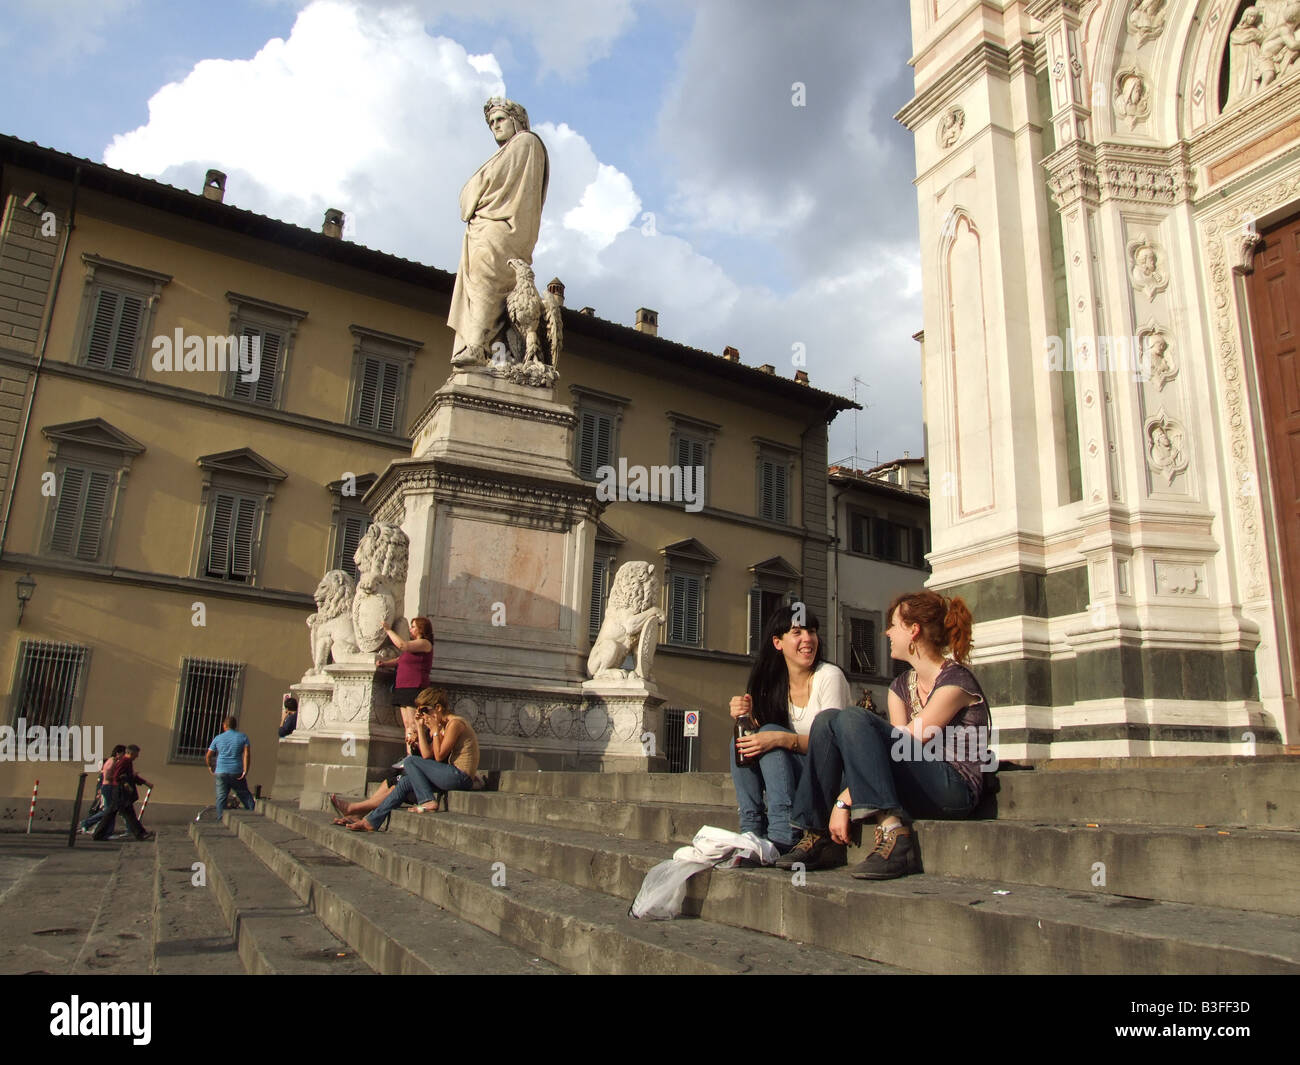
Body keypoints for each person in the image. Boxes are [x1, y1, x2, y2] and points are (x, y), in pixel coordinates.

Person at [776, 591, 992, 880]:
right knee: (827, 720)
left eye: (893, 625)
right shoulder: (900, 687)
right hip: (914, 784)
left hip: (954, 788)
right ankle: (816, 835)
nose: (886, 632)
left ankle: (895, 834)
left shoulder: (956, 682)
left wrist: (844, 800)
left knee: (853, 717)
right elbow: (889, 753)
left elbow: (908, 745)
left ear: (913, 631)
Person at [727, 604, 850, 854]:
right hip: (797, 775)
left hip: (830, 776)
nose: (808, 639)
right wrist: (744, 718)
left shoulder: (829, 676)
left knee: (771, 736)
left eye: (812, 631)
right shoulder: (773, 684)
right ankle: (751, 830)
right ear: (777, 642)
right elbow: (764, 736)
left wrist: (782, 739)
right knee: (742, 739)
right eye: (797, 632)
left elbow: (832, 746)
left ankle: (785, 832)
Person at [448, 96, 549, 368]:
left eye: (500, 119)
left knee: (487, 278)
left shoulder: (526, 142)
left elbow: (482, 187)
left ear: (516, 120)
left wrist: (475, 190)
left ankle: (477, 346)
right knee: (481, 283)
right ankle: (489, 350)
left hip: (502, 229)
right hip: (486, 228)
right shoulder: (507, 152)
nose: (495, 125)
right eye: (491, 122)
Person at [347, 687, 480, 831]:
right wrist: (420, 728)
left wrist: (435, 731)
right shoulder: (443, 726)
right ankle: (372, 821)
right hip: (451, 775)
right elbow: (427, 755)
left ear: (438, 708)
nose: (424, 716)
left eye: (425, 711)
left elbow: (439, 755)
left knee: (410, 761)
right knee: (404, 782)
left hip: (460, 776)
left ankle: (428, 800)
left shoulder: (456, 723)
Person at [377, 617, 434, 735]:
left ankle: (417, 751)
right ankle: (409, 752)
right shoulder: (413, 646)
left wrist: (388, 630)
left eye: (413, 627)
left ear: (421, 629)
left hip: (414, 686)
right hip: (403, 686)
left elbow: (402, 645)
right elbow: (400, 660)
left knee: (414, 724)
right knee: (407, 724)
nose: (410, 629)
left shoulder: (425, 643)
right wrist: (385, 664)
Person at [92, 744, 153, 842]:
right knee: (122, 813)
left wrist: (145, 782)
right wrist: (125, 784)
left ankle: (140, 833)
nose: (137, 756)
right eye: (136, 754)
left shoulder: (127, 762)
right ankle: (140, 833)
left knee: (120, 813)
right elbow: (117, 775)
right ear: (131, 753)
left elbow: (130, 776)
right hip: (120, 791)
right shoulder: (125, 761)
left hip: (120, 791)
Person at [206, 716, 255, 818]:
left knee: (221, 797)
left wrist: (210, 766)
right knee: (244, 794)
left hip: (221, 771)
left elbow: (208, 755)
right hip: (236, 770)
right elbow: (247, 754)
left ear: (224, 726)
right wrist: (245, 770)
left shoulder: (218, 738)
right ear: (235, 726)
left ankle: (220, 818)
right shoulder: (243, 737)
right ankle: (253, 814)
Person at [80, 744, 126, 834]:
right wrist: (118, 777)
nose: (124, 756)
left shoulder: (113, 761)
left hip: (109, 787)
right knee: (108, 811)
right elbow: (108, 776)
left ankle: (107, 831)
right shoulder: (112, 762)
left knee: (110, 810)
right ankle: (87, 822)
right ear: (118, 753)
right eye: (123, 754)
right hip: (108, 787)